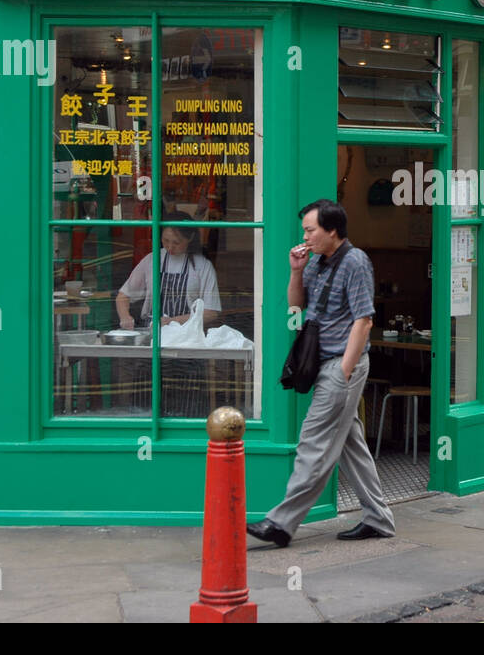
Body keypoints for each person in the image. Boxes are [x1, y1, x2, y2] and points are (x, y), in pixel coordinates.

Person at [247, 198, 394, 548]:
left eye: (311, 230)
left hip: (341, 365)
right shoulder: (316, 262)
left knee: (313, 441)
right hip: (323, 363)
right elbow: (296, 305)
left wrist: (344, 370)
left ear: (332, 230)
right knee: (349, 445)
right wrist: (296, 270)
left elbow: (364, 320)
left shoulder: (356, 261)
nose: (305, 236)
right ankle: (379, 519)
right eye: (305, 230)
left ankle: (281, 523)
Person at [115, 222, 221, 416]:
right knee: (146, 376)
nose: (170, 247)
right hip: (153, 336)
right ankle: (142, 418)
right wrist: (125, 317)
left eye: (176, 242)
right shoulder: (152, 260)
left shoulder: (202, 266)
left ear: (189, 239)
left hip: (188, 341)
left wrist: (174, 321)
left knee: (188, 378)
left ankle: (188, 423)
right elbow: (123, 295)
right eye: (165, 241)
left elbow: (212, 312)